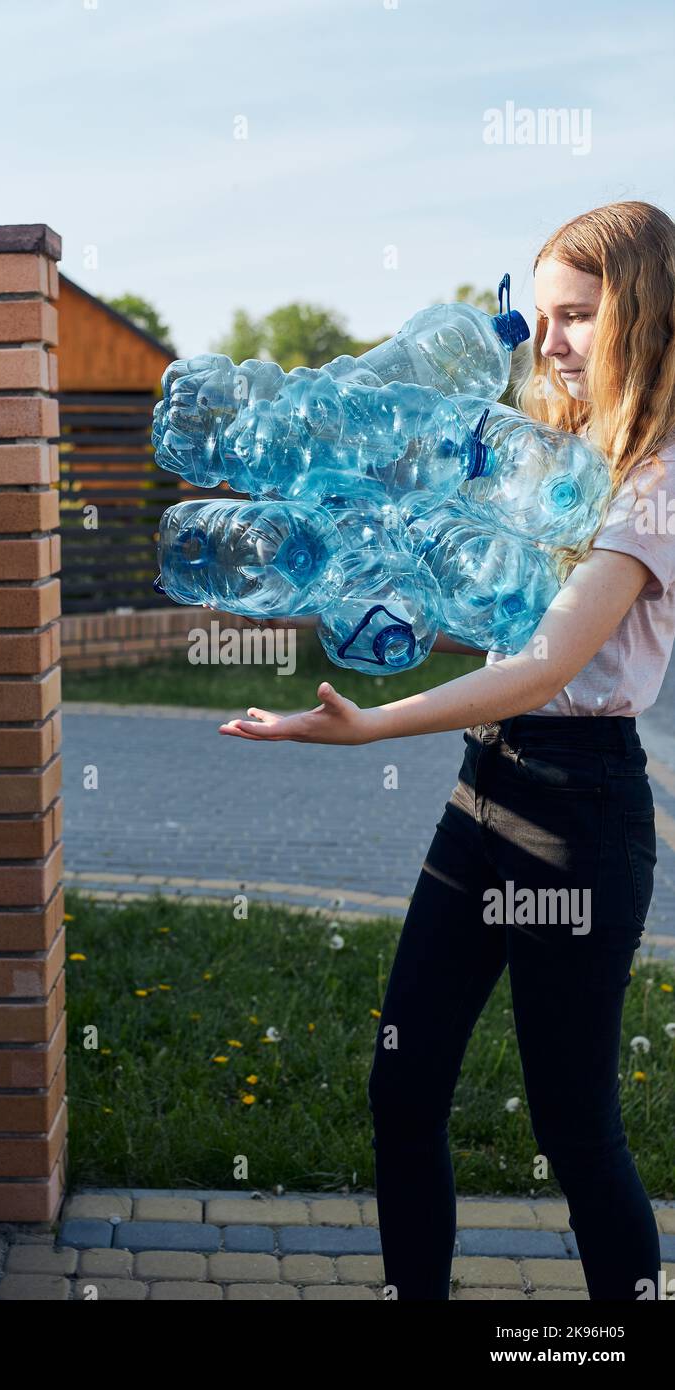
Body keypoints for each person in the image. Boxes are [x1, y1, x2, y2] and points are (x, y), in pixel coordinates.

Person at [218, 201, 675, 1301]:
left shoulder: (654, 481)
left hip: (579, 819)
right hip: (486, 790)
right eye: (539, 315)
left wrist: (368, 727)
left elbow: (546, 663)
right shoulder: (545, 457)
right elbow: (473, 602)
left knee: (571, 1130)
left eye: (576, 316)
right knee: (403, 1084)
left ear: (643, 315)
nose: (549, 341)